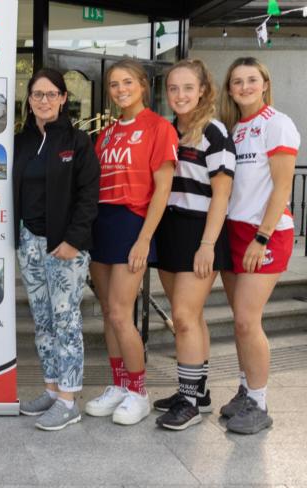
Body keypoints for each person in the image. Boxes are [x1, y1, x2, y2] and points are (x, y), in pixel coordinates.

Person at [84, 58, 178, 425]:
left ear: (142, 85)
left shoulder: (158, 127)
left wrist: (144, 238)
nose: (120, 90)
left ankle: (139, 392)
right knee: (109, 312)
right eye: (114, 84)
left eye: (127, 82)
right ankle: (119, 385)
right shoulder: (106, 134)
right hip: (101, 222)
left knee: (122, 313)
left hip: (132, 222)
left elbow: (163, 188)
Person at [151, 59, 236, 431]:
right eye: (173, 88)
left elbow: (222, 194)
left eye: (188, 87)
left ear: (203, 90)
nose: (180, 95)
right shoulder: (168, 130)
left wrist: (207, 245)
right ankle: (196, 393)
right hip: (169, 228)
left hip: (200, 231)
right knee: (191, 317)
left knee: (184, 318)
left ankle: (188, 403)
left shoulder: (214, 132)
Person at [217, 57, 300, 435]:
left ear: (265, 83)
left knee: (248, 320)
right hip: (232, 230)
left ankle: (260, 402)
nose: (245, 87)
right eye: (237, 81)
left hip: (264, 233)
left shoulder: (277, 123)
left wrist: (261, 237)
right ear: (230, 89)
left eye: (252, 80)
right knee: (240, 321)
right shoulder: (233, 129)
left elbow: (282, 187)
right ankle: (245, 389)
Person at [13, 69, 99, 430]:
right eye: (37, 94)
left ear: (63, 98)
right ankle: (51, 389)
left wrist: (74, 241)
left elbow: (89, 196)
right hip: (29, 244)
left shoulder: (78, 142)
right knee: (43, 322)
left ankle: (68, 399)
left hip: (64, 247)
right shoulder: (21, 142)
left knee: (66, 321)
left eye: (51, 94)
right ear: (29, 99)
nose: (44, 100)